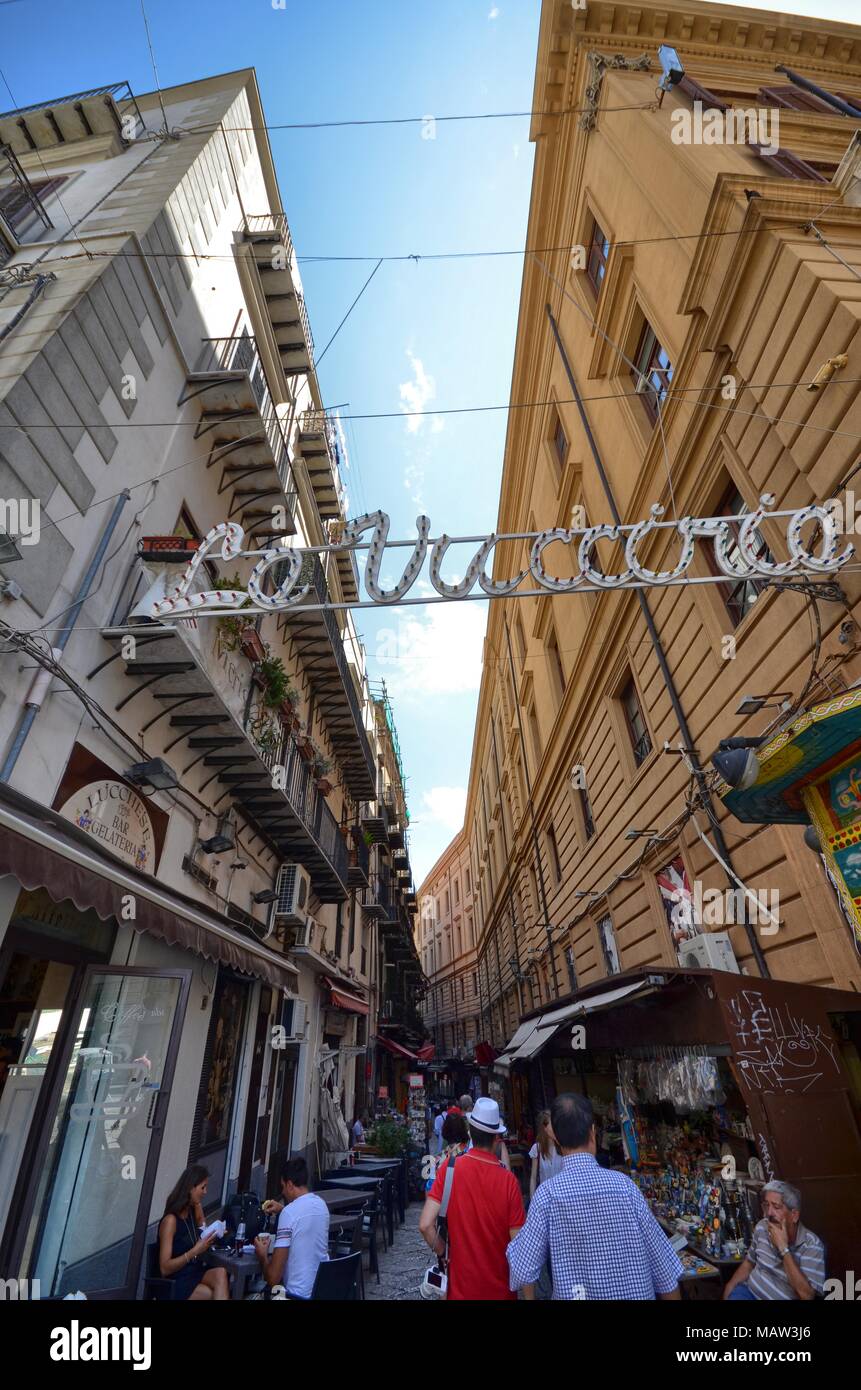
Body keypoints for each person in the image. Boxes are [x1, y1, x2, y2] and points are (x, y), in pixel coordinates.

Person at [507, 1093, 683, 1301]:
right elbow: (665, 1272)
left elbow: (521, 1269)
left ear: (556, 1138)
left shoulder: (548, 1195)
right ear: (593, 1132)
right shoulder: (625, 1187)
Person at [419, 1096, 528, 1301]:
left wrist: (444, 1253)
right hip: (500, 1290)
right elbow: (519, 1246)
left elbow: (425, 1225)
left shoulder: (448, 1169)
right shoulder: (509, 1182)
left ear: (471, 1133)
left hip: (460, 1289)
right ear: (497, 1138)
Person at [723, 1180, 825, 1301]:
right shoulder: (762, 1226)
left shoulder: (812, 1245)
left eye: (776, 1207)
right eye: (766, 1205)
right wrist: (729, 1288)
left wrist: (783, 1248)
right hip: (748, 1293)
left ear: (794, 1215)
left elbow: (807, 1295)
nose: (769, 1213)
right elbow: (749, 1263)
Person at [257, 1156, 330, 1299]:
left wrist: (263, 1256)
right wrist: (283, 1210)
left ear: (290, 1185)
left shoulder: (289, 1213)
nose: (282, 1192)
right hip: (322, 1291)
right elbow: (303, 1219)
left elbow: (273, 1278)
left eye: (283, 1187)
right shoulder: (322, 1206)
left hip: (296, 1295)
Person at [158, 1164, 229, 1301]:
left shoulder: (189, 1212)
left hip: (191, 1273)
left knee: (221, 1273)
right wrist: (194, 1251)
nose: (205, 1192)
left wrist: (197, 1203)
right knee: (213, 1294)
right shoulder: (171, 1221)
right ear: (190, 1188)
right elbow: (164, 1268)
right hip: (174, 1281)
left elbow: (202, 1226)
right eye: (202, 1187)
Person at [426, 1112, 470, 1192]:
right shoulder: (471, 1156)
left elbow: (429, 1192)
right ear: (465, 1130)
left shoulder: (437, 1160)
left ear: (444, 1131)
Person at [529, 1109, 565, 1201]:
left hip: (562, 1196)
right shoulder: (537, 1148)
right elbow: (533, 1177)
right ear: (544, 1128)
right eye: (552, 1124)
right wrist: (533, 1200)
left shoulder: (564, 1147)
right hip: (545, 1197)